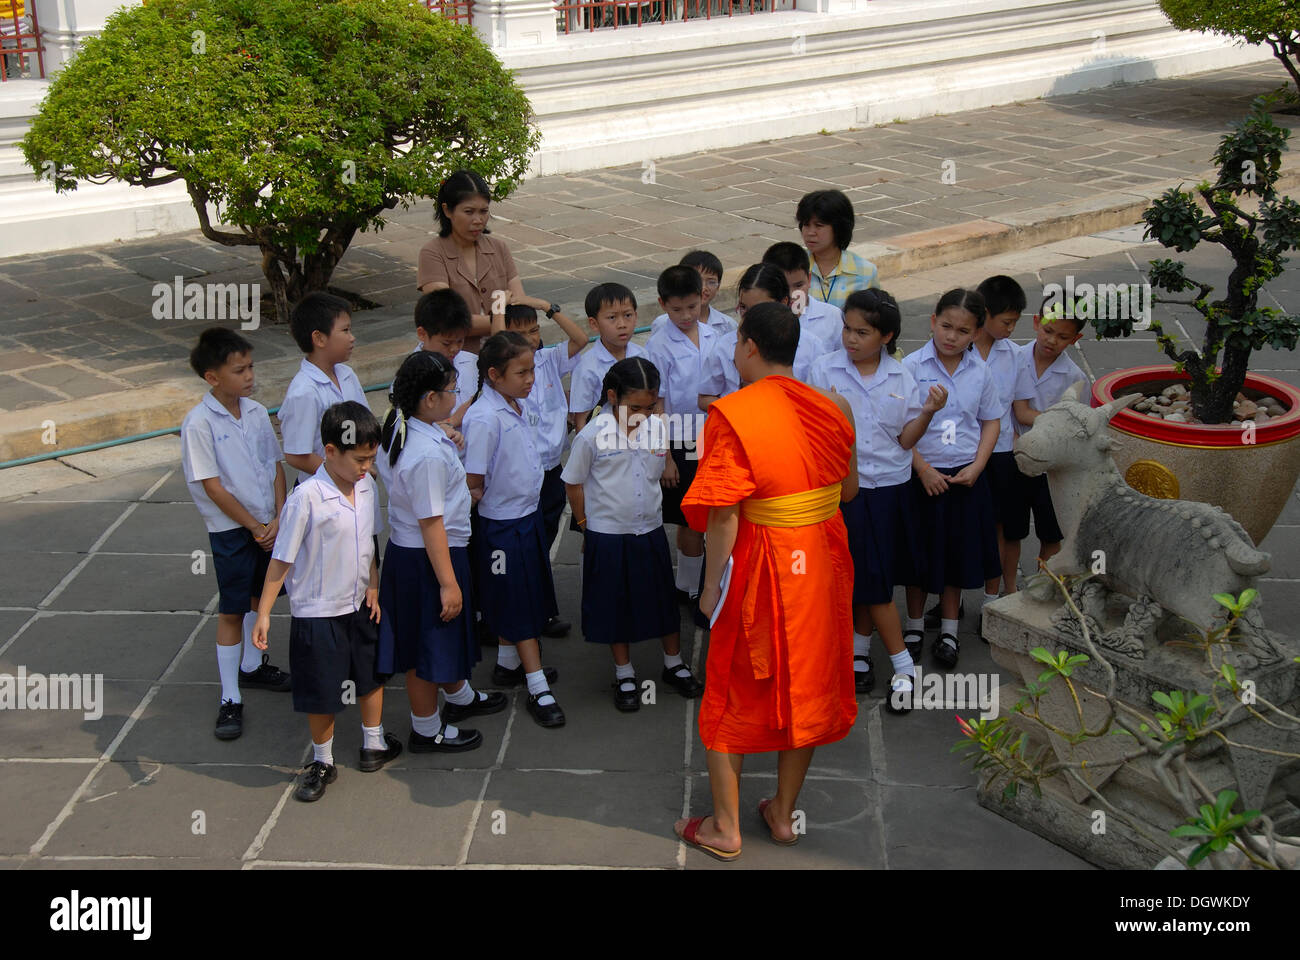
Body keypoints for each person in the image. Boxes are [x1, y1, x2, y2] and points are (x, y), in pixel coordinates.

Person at [674, 301, 858, 861]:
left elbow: (725, 515)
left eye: (736, 344)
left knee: (731, 684)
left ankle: (725, 828)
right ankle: (782, 813)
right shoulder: (834, 404)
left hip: (764, 564)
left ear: (750, 345)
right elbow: (848, 492)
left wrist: (709, 589)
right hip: (823, 562)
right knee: (808, 680)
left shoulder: (732, 414)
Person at [253, 402, 399, 803]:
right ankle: (322, 760)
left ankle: (374, 741)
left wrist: (373, 583)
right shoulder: (306, 498)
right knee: (321, 689)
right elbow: (281, 560)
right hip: (318, 612)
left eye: (371, 459)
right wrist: (264, 613)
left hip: (360, 604)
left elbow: (369, 540)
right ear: (330, 451)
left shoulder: (367, 487)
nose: (366, 468)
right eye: (359, 459)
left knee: (370, 675)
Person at [808, 290, 947, 708]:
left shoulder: (902, 378)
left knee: (875, 578)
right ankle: (871, 656)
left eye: (862, 332)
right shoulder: (823, 369)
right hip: (843, 492)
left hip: (888, 490)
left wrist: (927, 413)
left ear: (885, 336)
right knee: (861, 577)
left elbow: (905, 440)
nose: (851, 338)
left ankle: (883, 660)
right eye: (847, 329)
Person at [375, 351, 506, 754]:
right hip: (430, 562)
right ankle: (426, 728)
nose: (457, 395)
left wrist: (446, 432)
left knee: (440, 639)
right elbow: (431, 523)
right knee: (424, 649)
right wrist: (448, 583)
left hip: (423, 556)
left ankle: (460, 696)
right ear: (429, 398)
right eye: (452, 390)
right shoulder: (425, 454)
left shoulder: (408, 431)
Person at [562, 357, 704, 711]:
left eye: (650, 406)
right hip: (608, 534)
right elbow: (574, 484)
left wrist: (669, 459)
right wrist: (584, 527)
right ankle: (624, 672)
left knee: (661, 601)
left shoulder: (657, 427)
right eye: (634, 407)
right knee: (615, 605)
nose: (643, 414)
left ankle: (673, 663)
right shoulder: (592, 436)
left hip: (650, 529)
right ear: (612, 396)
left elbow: (659, 457)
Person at [181, 327, 291, 741]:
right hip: (234, 530)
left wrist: (279, 517)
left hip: (268, 523)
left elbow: (276, 465)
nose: (249, 376)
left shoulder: (258, 412)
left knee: (258, 597)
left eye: (251, 367)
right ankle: (230, 696)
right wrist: (254, 526)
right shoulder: (198, 425)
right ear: (213, 377)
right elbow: (212, 486)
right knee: (231, 608)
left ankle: (252, 665)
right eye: (239, 370)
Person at [463, 332, 565, 728]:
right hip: (501, 528)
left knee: (527, 592)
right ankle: (538, 687)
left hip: (526, 517)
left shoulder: (511, 403)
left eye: (532, 370)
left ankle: (508, 664)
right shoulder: (485, 419)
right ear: (494, 374)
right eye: (521, 372)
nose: (530, 379)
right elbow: (474, 481)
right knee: (516, 599)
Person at [901, 289, 1002, 671]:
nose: (951, 336)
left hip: (963, 478)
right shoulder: (910, 367)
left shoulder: (981, 372)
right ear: (932, 321)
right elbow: (896, 428)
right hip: (920, 476)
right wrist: (922, 468)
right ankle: (912, 627)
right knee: (917, 555)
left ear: (976, 334)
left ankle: (948, 629)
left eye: (963, 331)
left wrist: (977, 466)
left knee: (954, 557)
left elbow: (991, 420)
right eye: (945, 326)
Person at [503, 301, 588, 637]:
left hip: (552, 468)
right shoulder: (503, 370)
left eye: (534, 330)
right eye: (519, 333)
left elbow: (581, 339)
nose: (530, 339)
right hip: (523, 473)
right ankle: (532, 611)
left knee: (546, 536)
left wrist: (548, 308)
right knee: (527, 542)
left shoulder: (550, 358)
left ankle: (540, 607)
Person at [277, 291, 384, 541]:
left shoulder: (346, 375)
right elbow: (295, 454)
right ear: (319, 338)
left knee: (366, 560)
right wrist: (342, 472)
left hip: (358, 489)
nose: (352, 337)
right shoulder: (304, 392)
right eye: (345, 331)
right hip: (327, 498)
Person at [416, 169, 557, 353]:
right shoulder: (432, 254)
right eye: (469, 212)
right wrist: (500, 318)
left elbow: (519, 305)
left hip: (506, 357)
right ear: (447, 210)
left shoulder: (499, 248)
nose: (478, 220)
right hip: (459, 356)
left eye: (484, 211)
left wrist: (505, 319)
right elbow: (448, 319)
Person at [647, 265, 717, 602]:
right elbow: (657, 405)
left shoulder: (716, 335)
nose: (686, 315)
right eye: (676, 309)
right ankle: (688, 587)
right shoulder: (659, 345)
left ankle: (699, 582)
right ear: (662, 304)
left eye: (691, 306)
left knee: (709, 513)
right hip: (681, 439)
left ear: (703, 298)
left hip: (714, 436)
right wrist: (667, 457)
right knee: (690, 518)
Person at [1009, 296, 1089, 576]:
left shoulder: (1075, 377)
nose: (1052, 340)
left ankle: (1044, 583)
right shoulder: (1013, 358)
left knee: (1051, 532)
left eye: (1062, 336)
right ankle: (1008, 583)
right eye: (1048, 330)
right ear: (1035, 322)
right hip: (1013, 457)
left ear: (1076, 338)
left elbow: (1076, 426)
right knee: (1010, 529)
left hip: (1053, 470)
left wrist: (1033, 417)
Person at [698, 265, 827, 414]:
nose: (749, 316)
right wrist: (734, 410)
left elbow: (818, 400)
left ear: (784, 302)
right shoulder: (725, 346)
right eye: (743, 307)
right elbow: (705, 396)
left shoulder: (811, 346)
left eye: (759, 308)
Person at [972, 275, 1028, 605]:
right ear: (986, 314)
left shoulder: (1015, 355)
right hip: (962, 451)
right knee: (965, 527)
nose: (1010, 329)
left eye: (1014, 323)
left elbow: (1018, 409)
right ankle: (952, 602)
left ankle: (993, 597)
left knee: (1002, 527)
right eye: (1006, 322)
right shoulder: (958, 349)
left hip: (1003, 453)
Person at [569, 282, 646, 433]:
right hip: (605, 445)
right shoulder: (587, 367)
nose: (622, 324)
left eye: (628, 315)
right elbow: (582, 420)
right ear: (594, 324)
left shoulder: (643, 355)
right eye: (612, 317)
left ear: (636, 316)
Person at [796, 189, 879, 313]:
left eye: (818, 225)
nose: (810, 233)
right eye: (806, 225)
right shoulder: (793, 267)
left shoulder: (865, 272)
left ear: (839, 228)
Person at [413, 288, 479, 428]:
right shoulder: (409, 375)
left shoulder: (473, 363)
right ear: (422, 334)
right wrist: (453, 420)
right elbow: (411, 427)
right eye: (446, 343)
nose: (454, 349)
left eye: (460, 341)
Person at [761, 241, 844, 348]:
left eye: (799, 285)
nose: (792, 295)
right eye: (783, 287)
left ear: (809, 279)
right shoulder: (761, 319)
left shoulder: (833, 317)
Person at [651, 250, 736, 335]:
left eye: (711, 282)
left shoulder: (728, 326)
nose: (703, 288)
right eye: (697, 281)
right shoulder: (662, 324)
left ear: (718, 286)